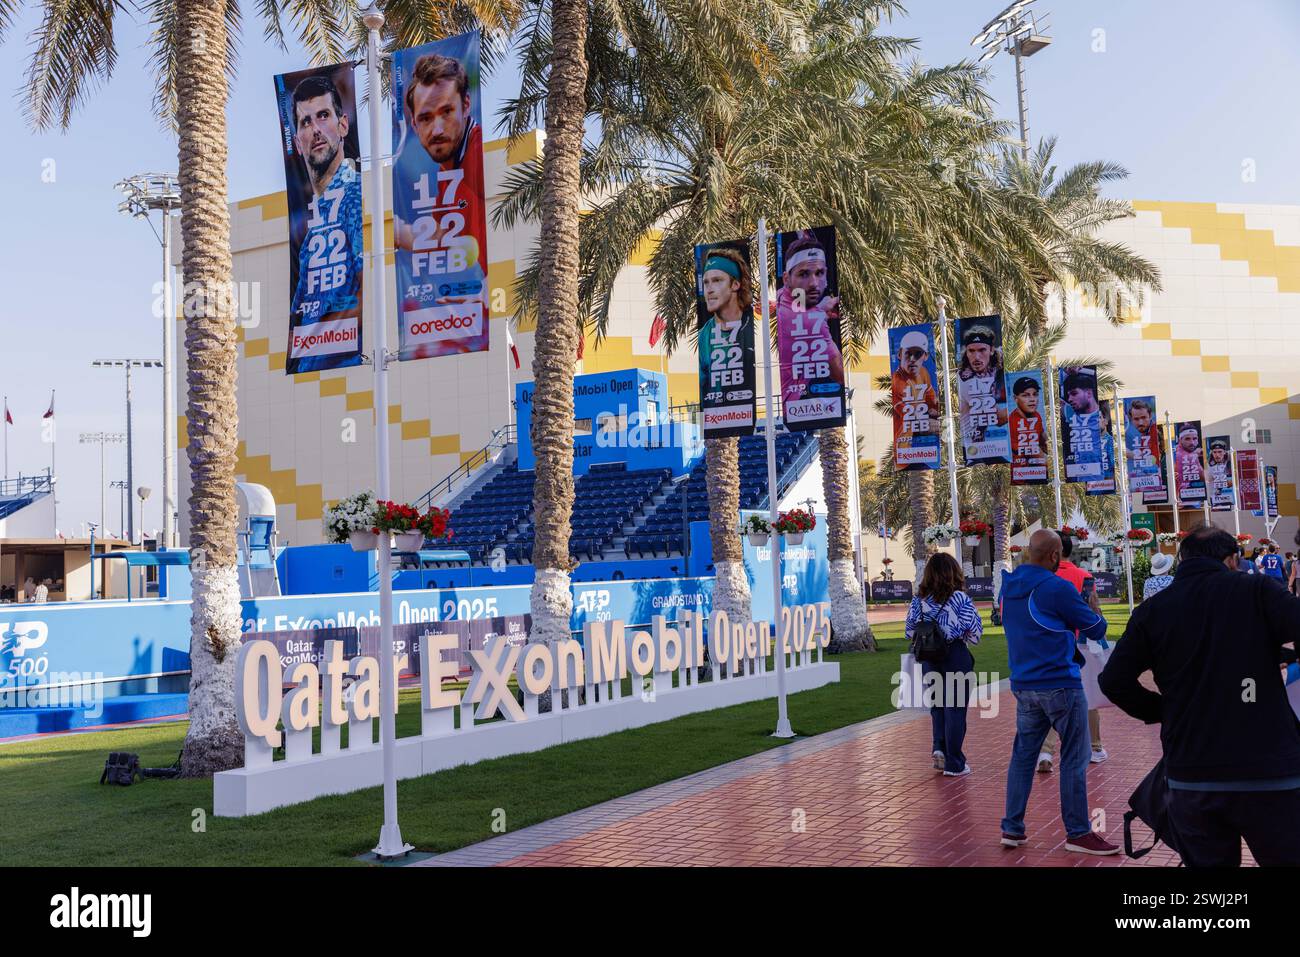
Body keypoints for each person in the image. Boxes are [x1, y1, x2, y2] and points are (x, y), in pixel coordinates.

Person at [1099, 525, 1300, 866]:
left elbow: (1114, 680)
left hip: (1192, 775)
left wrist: (1166, 710)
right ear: (1232, 559)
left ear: (1183, 560)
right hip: (1269, 769)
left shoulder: (1153, 610)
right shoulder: (1258, 590)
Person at [998, 529, 1116, 855]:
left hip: (1023, 684)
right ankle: (1078, 832)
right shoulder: (1057, 587)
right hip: (1060, 683)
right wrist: (1092, 607)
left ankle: (1012, 827)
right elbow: (1096, 628)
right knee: (1074, 759)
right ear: (1053, 556)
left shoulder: (1007, 588)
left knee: (1023, 758)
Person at [288, 74, 363, 327]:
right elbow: (298, 316)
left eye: (323, 115)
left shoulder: (353, 195)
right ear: (298, 142)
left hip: (345, 357)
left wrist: (322, 332)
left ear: (343, 125)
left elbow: (367, 292)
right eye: (306, 122)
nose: (316, 129)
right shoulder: (317, 219)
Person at [394, 52, 485, 255]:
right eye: (426, 118)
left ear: (466, 106)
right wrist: (396, 231)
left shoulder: (478, 154)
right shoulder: (447, 172)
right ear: (414, 125)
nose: (437, 130)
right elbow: (438, 237)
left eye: (446, 112)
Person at [905, 553, 983, 776]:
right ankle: (954, 763)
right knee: (956, 710)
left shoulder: (918, 600)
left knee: (937, 707)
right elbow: (975, 633)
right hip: (955, 656)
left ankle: (939, 748)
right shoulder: (959, 598)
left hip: (929, 658)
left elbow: (909, 631)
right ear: (953, 572)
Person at [1037, 532, 1108, 771]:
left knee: (1050, 695)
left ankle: (1046, 751)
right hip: (1082, 640)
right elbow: (1093, 608)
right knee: (1087, 694)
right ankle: (1095, 746)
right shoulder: (1084, 576)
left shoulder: (1044, 575)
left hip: (1050, 643)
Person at [777, 232, 844, 407]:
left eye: (820, 273)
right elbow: (840, 374)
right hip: (799, 408)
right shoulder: (812, 322)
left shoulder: (781, 297)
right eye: (804, 274)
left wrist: (820, 308)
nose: (814, 283)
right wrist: (821, 312)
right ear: (786, 278)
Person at [696, 247, 756, 411]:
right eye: (706, 282)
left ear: (735, 284)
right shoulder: (703, 337)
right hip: (719, 421)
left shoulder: (750, 328)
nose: (709, 289)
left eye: (717, 280)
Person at [956, 323, 1007, 461]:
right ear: (966, 352)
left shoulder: (994, 362)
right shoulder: (968, 380)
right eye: (971, 351)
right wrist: (1020, 401)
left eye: (982, 350)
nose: (976, 357)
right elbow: (1000, 419)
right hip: (970, 452)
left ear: (991, 350)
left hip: (982, 446)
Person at [890, 330, 940, 462]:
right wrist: (930, 421)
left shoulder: (923, 373)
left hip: (925, 447)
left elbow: (932, 402)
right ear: (900, 354)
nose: (912, 359)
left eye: (917, 354)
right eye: (908, 354)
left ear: (925, 356)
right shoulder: (897, 381)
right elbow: (909, 416)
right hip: (906, 451)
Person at [1008, 376, 1047, 482]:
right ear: (1015, 398)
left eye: (1035, 394)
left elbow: (1043, 438)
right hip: (1023, 478)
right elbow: (1038, 454)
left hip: (1037, 473)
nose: (1032, 399)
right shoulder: (1014, 421)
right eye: (1025, 395)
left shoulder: (1036, 415)